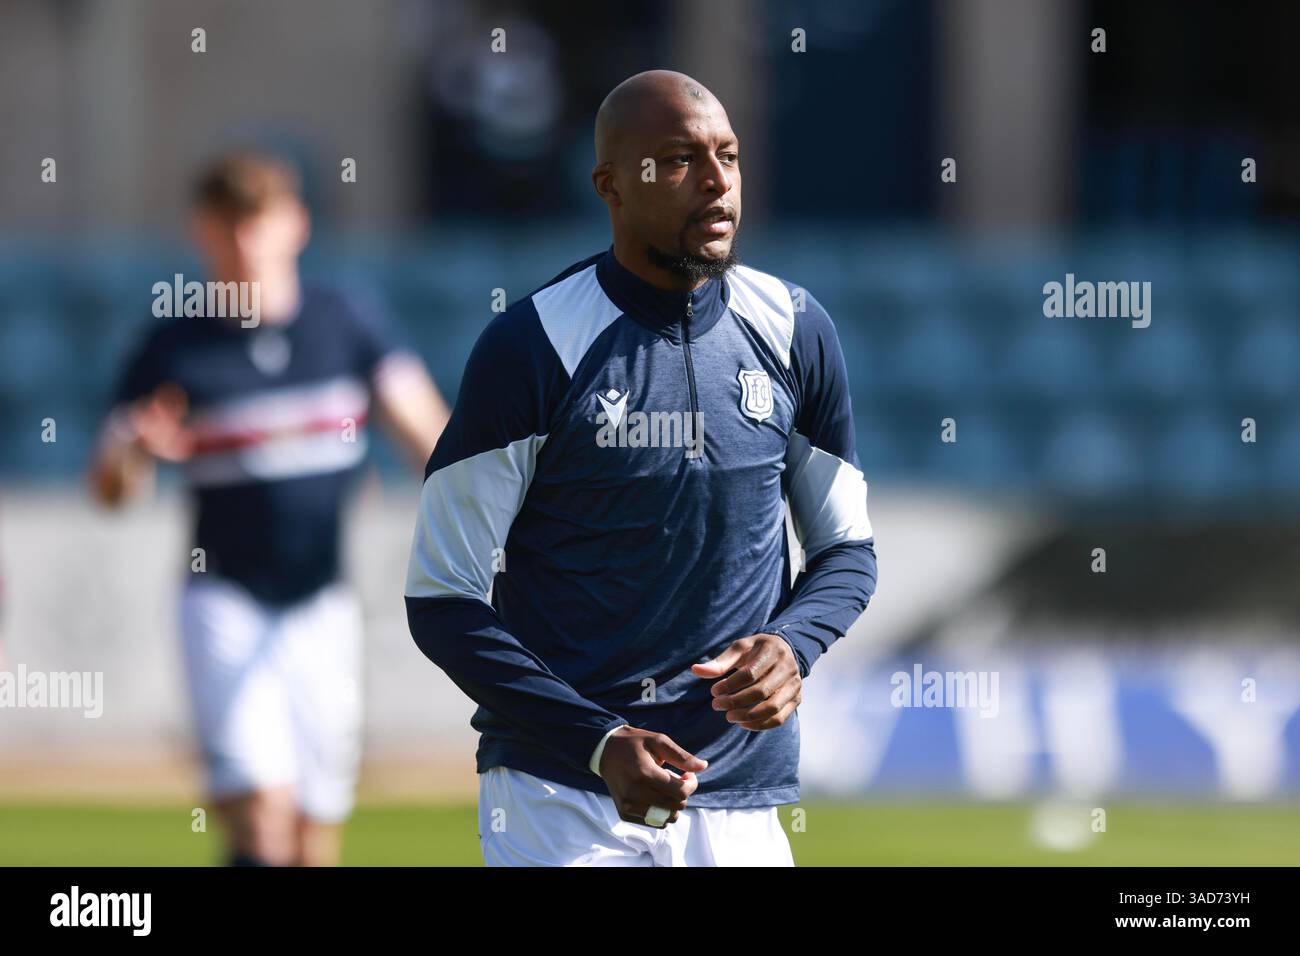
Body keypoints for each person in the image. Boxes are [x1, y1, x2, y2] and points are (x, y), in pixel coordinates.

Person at [405, 70, 877, 866]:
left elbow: (847, 550)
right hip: (559, 797)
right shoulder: (532, 346)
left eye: (728, 156)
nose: (717, 180)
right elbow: (442, 598)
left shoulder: (797, 329)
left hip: (740, 803)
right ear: (610, 185)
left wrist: (793, 645)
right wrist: (599, 742)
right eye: (680, 159)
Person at [90, 151, 450, 866]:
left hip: (323, 603)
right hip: (223, 598)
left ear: (296, 225)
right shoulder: (175, 343)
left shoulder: (344, 321)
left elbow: (426, 432)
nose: (245, 243)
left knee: (314, 832)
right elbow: (109, 489)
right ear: (202, 232)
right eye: (228, 226)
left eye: (258, 222)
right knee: (259, 813)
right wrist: (131, 449)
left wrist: (481, 510)